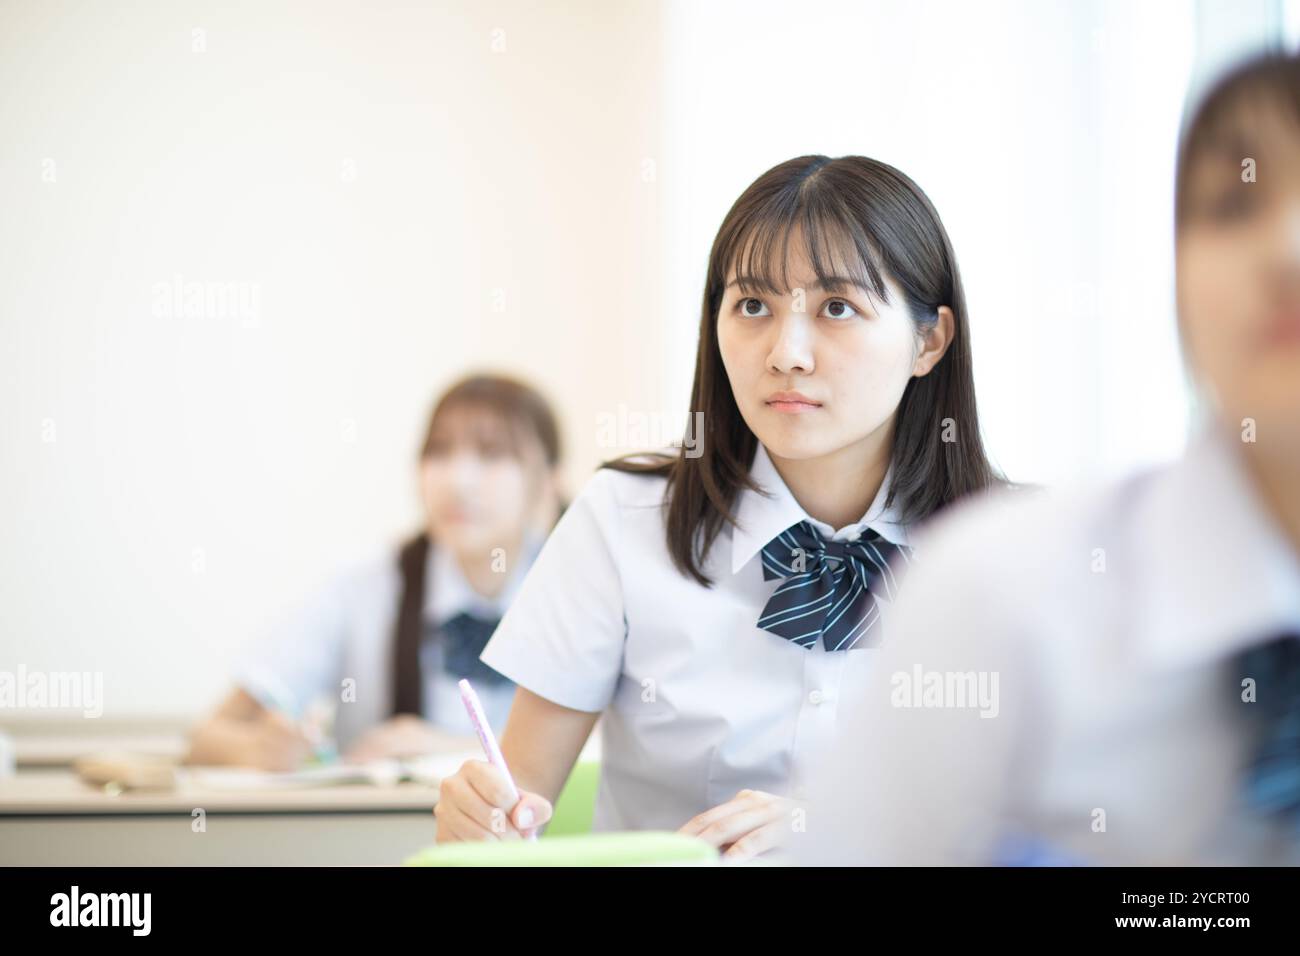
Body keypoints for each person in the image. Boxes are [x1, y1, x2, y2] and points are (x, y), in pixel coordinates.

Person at [805, 52, 1300, 866]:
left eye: (837, 307)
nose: (1283, 250)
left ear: (931, 339)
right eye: (1233, 205)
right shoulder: (1002, 590)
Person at [433, 154, 1003, 860]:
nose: (787, 353)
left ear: (929, 340)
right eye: (754, 306)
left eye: (837, 308)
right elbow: (515, 818)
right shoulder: (620, 520)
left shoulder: (1012, 547)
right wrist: (479, 820)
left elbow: (1058, 827)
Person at [187, 374, 564, 771]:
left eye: (492, 453)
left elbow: (606, 746)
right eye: (439, 452)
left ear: (549, 482)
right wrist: (261, 749)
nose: (458, 480)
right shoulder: (362, 589)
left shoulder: (576, 592)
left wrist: (448, 748)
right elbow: (207, 736)